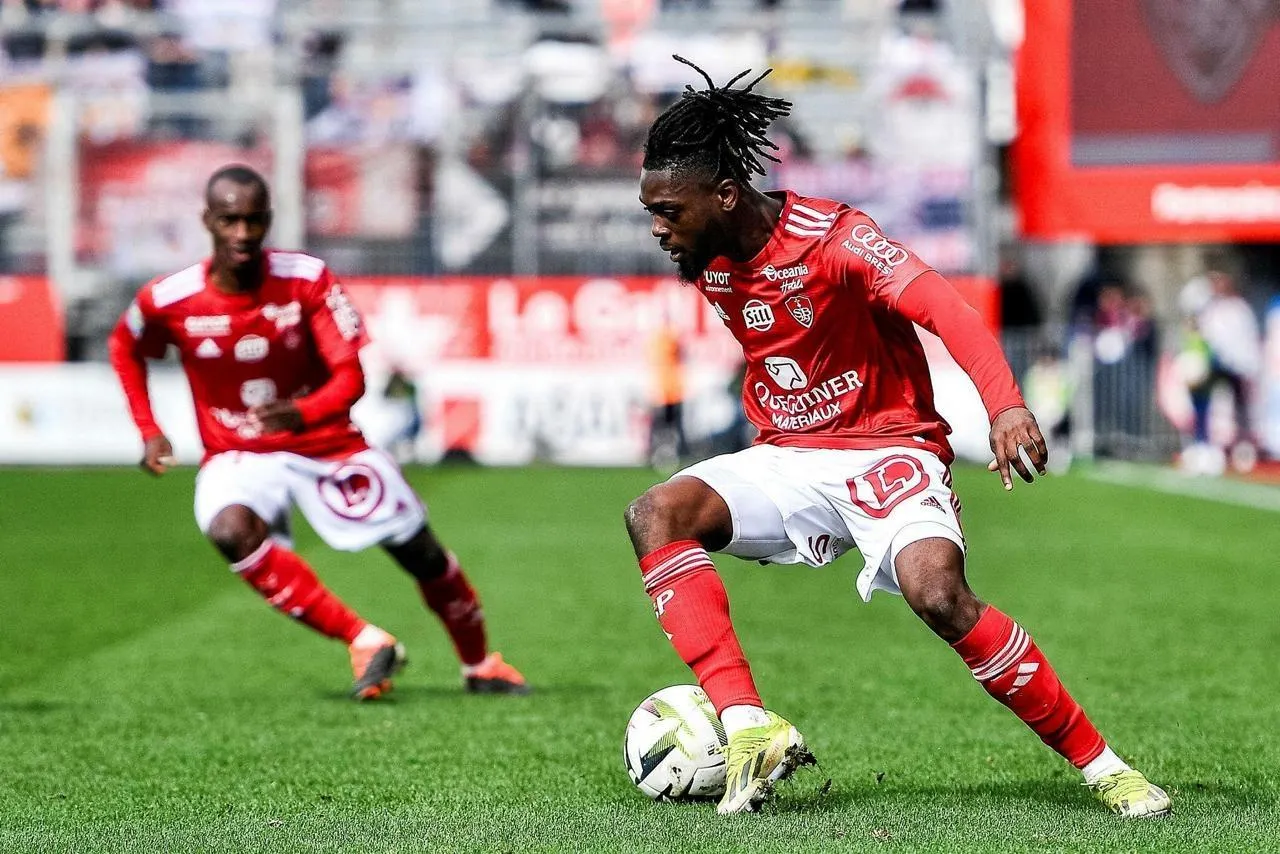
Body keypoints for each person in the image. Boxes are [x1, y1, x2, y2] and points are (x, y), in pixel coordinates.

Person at [626, 57, 1169, 817]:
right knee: (656, 513)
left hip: (889, 447)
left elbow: (946, 308)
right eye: (650, 211)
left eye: (668, 212)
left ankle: (1104, 767)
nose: (657, 229)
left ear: (724, 195)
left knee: (938, 594)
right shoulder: (708, 256)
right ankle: (749, 727)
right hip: (789, 458)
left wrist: (1005, 407)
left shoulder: (836, 239)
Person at [107, 164, 528, 701]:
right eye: (230, 220)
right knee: (229, 529)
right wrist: (149, 429)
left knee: (420, 553)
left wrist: (302, 412)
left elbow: (350, 376)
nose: (242, 234)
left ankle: (481, 664)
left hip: (325, 443)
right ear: (207, 221)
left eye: (254, 221)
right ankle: (363, 639)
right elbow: (123, 346)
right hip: (236, 452)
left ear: (269, 221)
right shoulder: (168, 299)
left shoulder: (306, 279)